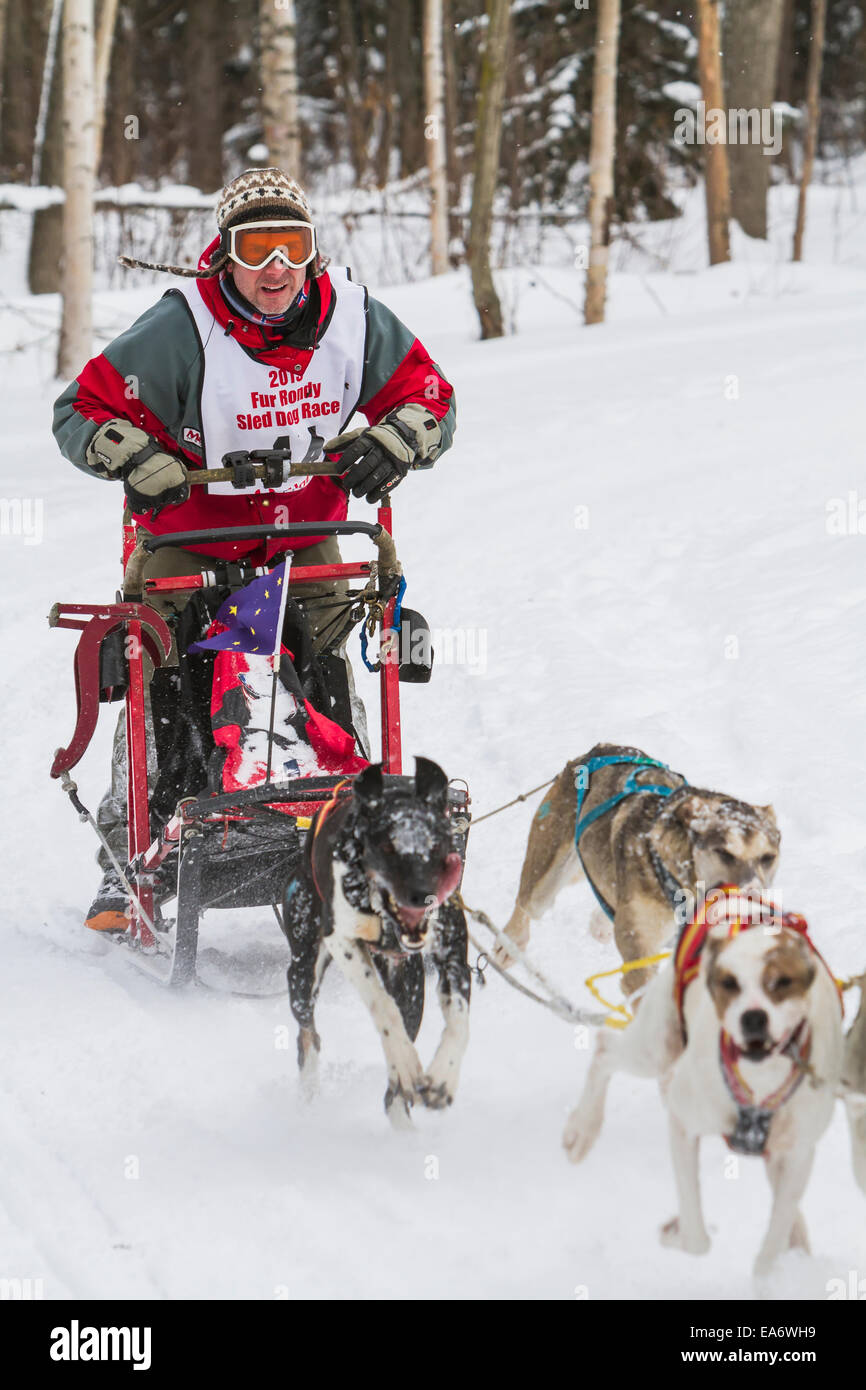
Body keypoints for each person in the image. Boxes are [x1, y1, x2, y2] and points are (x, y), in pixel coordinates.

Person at [53, 167, 456, 931]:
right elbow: (81, 409)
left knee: (328, 659)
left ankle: (348, 817)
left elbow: (430, 395)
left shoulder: (355, 319)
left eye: (291, 246)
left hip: (304, 537)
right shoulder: (182, 327)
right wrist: (137, 455)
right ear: (224, 255)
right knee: (160, 670)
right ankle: (130, 852)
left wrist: (398, 436)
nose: (275, 267)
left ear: (312, 251)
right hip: (189, 535)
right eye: (255, 246)